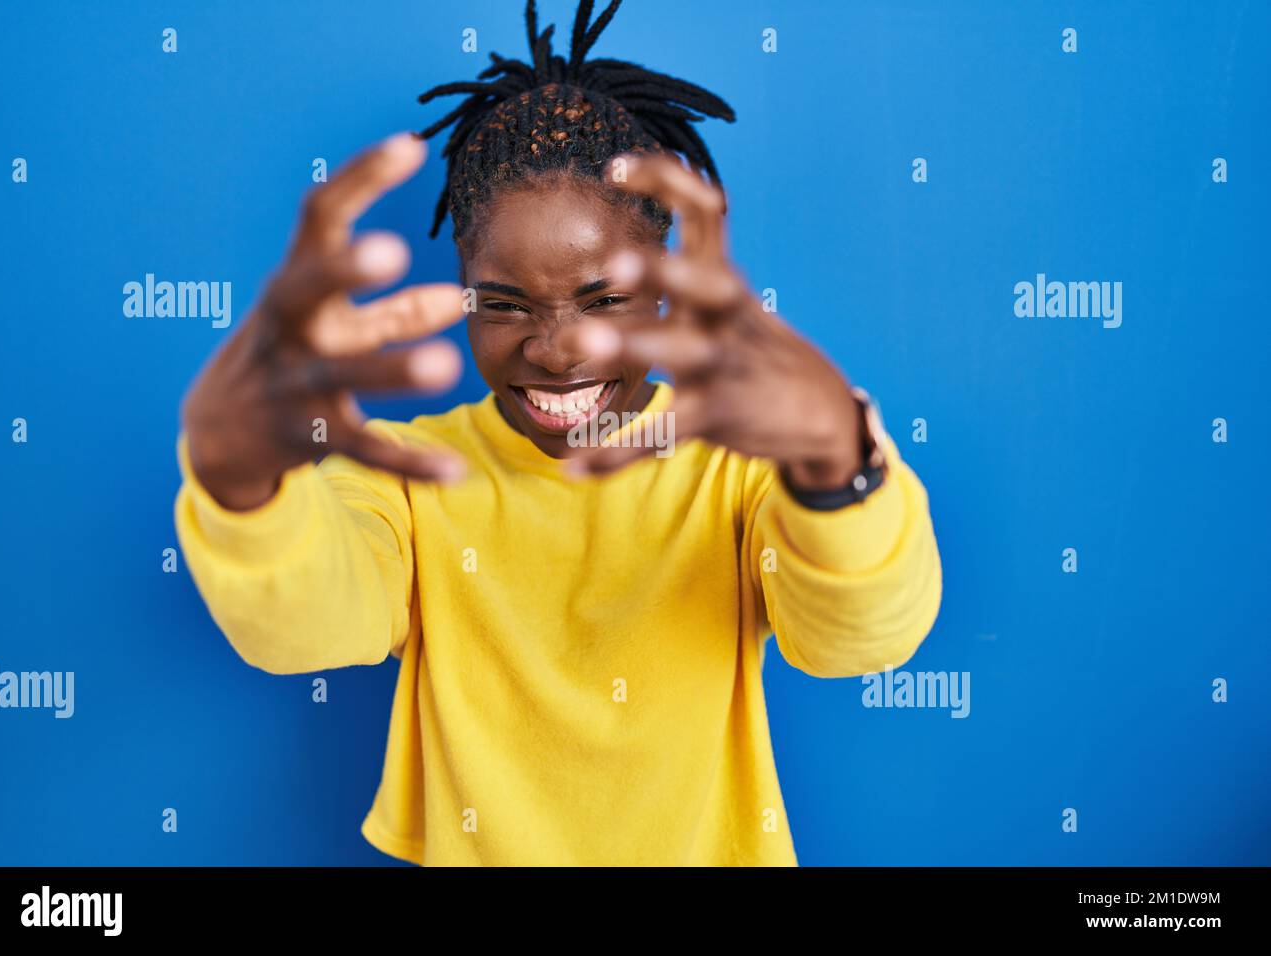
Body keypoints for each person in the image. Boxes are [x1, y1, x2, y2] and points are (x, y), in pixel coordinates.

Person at [174, 0, 942, 866]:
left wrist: (838, 467)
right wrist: (242, 482)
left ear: (665, 290)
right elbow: (307, 626)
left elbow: (861, 641)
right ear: (462, 286)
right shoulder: (406, 474)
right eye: (502, 305)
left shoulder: (739, 470)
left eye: (604, 300)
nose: (554, 350)